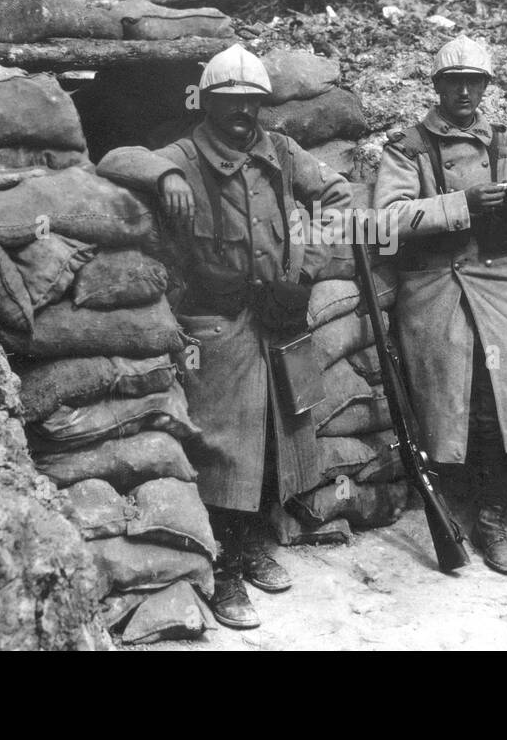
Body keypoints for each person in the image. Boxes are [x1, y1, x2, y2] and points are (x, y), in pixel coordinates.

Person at [97, 43, 353, 627]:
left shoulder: (282, 153)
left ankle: (254, 543)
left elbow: (338, 195)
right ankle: (226, 566)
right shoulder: (185, 154)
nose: (242, 111)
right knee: (222, 442)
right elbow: (112, 160)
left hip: (280, 314)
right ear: (207, 101)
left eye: (252, 101)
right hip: (218, 319)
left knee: (278, 433)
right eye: (229, 100)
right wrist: (162, 173)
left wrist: (308, 270)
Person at [372, 35, 507, 575]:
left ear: (486, 87)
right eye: (455, 82)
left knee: (505, 388)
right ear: (438, 87)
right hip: (437, 283)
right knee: (465, 392)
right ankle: (482, 507)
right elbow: (388, 220)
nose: (465, 92)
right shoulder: (409, 147)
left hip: (500, 280)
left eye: (475, 82)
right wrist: (462, 204)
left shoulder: (499, 140)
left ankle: (499, 499)